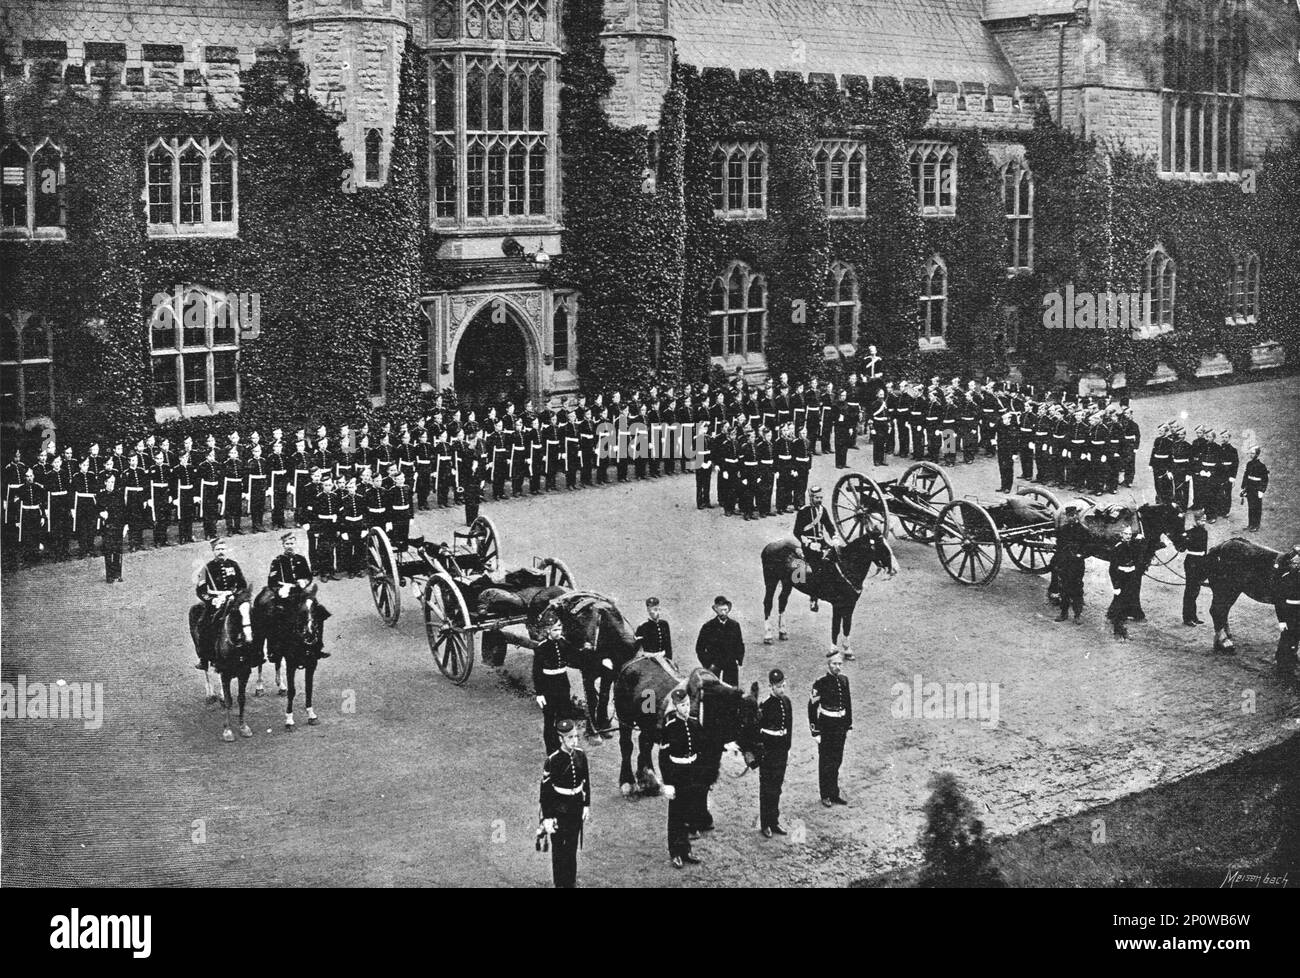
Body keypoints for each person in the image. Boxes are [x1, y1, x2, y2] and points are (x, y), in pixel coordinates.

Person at [538, 717, 590, 888]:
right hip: (559, 811)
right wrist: (547, 818)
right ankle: (560, 884)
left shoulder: (581, 755)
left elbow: (585, 783)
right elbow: (545, 793)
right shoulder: (553, 761)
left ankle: (571, 882)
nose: (574, 741)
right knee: (559, 850)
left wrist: (586, 805)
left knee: (572, 848)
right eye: (570, 738)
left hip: (575, 808)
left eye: (576, 736)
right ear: (561, 739)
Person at [660, 687, 704, 868]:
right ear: (675, 707)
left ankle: (686, 850)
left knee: (688, 812)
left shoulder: (694, 724)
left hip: (691, 773)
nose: (686, 708)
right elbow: (664, 758)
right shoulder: (670, 727)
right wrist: (667, 784)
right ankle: (675, 852)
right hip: (676, 775)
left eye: (687, 705)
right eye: (682, 706)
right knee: (676, 814)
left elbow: (701, 749)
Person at [194, 538, 248, 667]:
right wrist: (212, 600)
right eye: (217, 549)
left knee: (249, 620)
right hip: (216, 602)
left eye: (223, 549)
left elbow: (242, 585)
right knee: (203, 624)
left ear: (227, 550)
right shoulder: (207, 568)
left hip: (232, 600)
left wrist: (234, 595)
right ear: (213, 551)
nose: (221, 552)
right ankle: (205, 657)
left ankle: (253, 653)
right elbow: (201, 590)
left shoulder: (233, 565)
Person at [809, 651, 852, 807]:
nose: (837, 667)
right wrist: (815, 731)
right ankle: (825, 794)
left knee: (837, 759)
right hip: (826, 725)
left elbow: (847, 703)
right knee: (826, 761)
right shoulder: (820, 683)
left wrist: (848, 723)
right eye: (834, 664)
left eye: (840, 664)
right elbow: (812, 708)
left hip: (840, 725)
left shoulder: (844, 680)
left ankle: (834, 792)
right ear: (828, 665)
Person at [793, 486, 842, 614]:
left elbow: (829, 526)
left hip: (821, 542)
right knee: (816, 569)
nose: (819, 500)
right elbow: (797, 531)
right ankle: (813, 598)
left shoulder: (822, 510)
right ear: (811, 498)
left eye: (821, 497)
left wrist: (835, 537)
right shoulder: (803, 511)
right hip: (808, 544)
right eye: (816, 498)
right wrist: (808, 543)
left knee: (837, 558)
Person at [758, 668, 792, 837]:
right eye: (778, 686)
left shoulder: (786, 702)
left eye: (783, 685)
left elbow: (789, 728)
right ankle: (765, 824)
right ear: (771, 686)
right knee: (767, 789)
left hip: (781, 752)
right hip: (768, 753)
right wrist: (761, 753)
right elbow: (759, 732)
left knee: (777, 788)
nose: (782, 689)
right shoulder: (765, 705)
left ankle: (774, 821)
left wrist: (787, 749)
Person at [533, 614, 574, 755]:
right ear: (547, 631)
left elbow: (577, 656)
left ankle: (565, 747)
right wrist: (539, 693)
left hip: (563, 684)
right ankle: (552, 752)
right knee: (549, 720)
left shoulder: (564, 644)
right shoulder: (541, 648)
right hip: (549, 687)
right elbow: (537, 673)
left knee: (564, 716)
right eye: (555, 630)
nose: (558, 632)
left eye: (560, 629)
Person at [695, 595, 744, 686]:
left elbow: (739, 644)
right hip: (714, 664)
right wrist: (707, 664)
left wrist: (738, 659)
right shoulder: (708, 626)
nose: (724, 613)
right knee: (713, 690)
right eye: (721, 610)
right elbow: (699, 648)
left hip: (730, 663)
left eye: (726, 610)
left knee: (731, 691)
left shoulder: (734, 625)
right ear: (716, 610)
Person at [1052, 504, 1089, 623]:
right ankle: (1063, 613)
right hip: (1065, 563)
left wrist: (1081, 555)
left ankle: (1077, 615)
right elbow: (1059, 547)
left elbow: (1088, 547)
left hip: (1077, 564)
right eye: (1069, 516)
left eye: (1073, 515)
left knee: (1077, 588)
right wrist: (1059, 561)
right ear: (1067, 517)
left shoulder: (1083, 530)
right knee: (1064, 588)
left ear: (1077, 516)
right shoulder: (1063, 530)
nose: (1071, 518)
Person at [1106, 525, 1141, 640]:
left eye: (1130, 534)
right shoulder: (1118, 548)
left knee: (1126, 603)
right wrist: (1115, 586)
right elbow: (1112, 569)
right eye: (1126, 534)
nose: (1128, 536)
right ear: (1121, 535)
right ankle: (1117, 631)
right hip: (1121, 577)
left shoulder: (1132, 546)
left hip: (1130, 576)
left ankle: (1123, 630)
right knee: (1119, 603)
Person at [1274, 546, 1300, 677]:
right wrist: (1282, 621)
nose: (1296, 565)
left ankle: (1291, 659)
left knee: (1295, 637)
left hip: (1298, 614)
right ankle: (1282, 665)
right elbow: (1279, 602)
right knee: (1287, 638)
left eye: (1298, 564)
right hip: (1289, 613)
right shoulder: (1285, 579)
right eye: (1294, 563)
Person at [96, 472, 126, 583]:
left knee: (118, 550)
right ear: (105, 483)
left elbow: (124, 510)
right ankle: (109, 575)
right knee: (108, 550)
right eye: (109, 482)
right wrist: (101, 513)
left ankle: (118, 573)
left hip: (118, 525)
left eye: (113, 482)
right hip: (108, 526)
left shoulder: (119, 494)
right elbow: (97, 509)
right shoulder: (101, 495)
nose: (111, 484)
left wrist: (125, 526)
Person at [1182, 509, 1209, 626]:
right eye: (1201, 520)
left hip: (1200, 561)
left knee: (1196, 590)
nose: (1203, 522)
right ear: (1196, 521)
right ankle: (1187, 618)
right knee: (1190, 591)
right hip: (1192, 562)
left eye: (1204, 520)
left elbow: (1205, 549)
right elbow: (1182, 547)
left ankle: (1193, 616)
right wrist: (1184, 538)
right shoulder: (1190, 533)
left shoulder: (1204, 532)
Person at [1240, 446, 1268, 531]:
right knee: (1250, 506)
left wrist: (1261, 490)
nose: (1251, 455)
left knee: (1257, 507)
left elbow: (1265, 479)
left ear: (1257, 454)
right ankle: (1250, 524)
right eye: (1250, 453)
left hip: (1257, 488)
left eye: (1253, 453)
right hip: (1249, 488)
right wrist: (1243, 487)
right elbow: (1246, 476)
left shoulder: (1261, 466)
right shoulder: (1249, 464)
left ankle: (1256, 525)